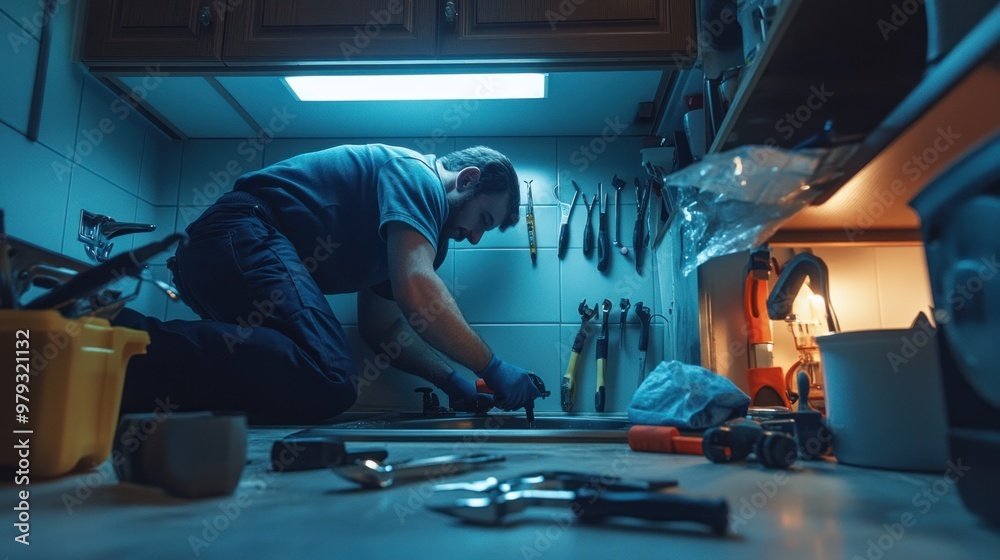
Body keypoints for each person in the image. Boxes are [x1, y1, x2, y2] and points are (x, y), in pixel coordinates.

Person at [115, 144, 542, 423]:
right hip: (238, 232)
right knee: (333, 374)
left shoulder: (408, 234)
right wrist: (492, 367)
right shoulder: (418, 178)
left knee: (299, 372)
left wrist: (455, 384)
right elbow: (417, 290)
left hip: (224, 258)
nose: (473, 237)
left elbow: (385, 330)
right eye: (482, 220)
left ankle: (107, 373)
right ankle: (116, 335)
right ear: (466, 179)